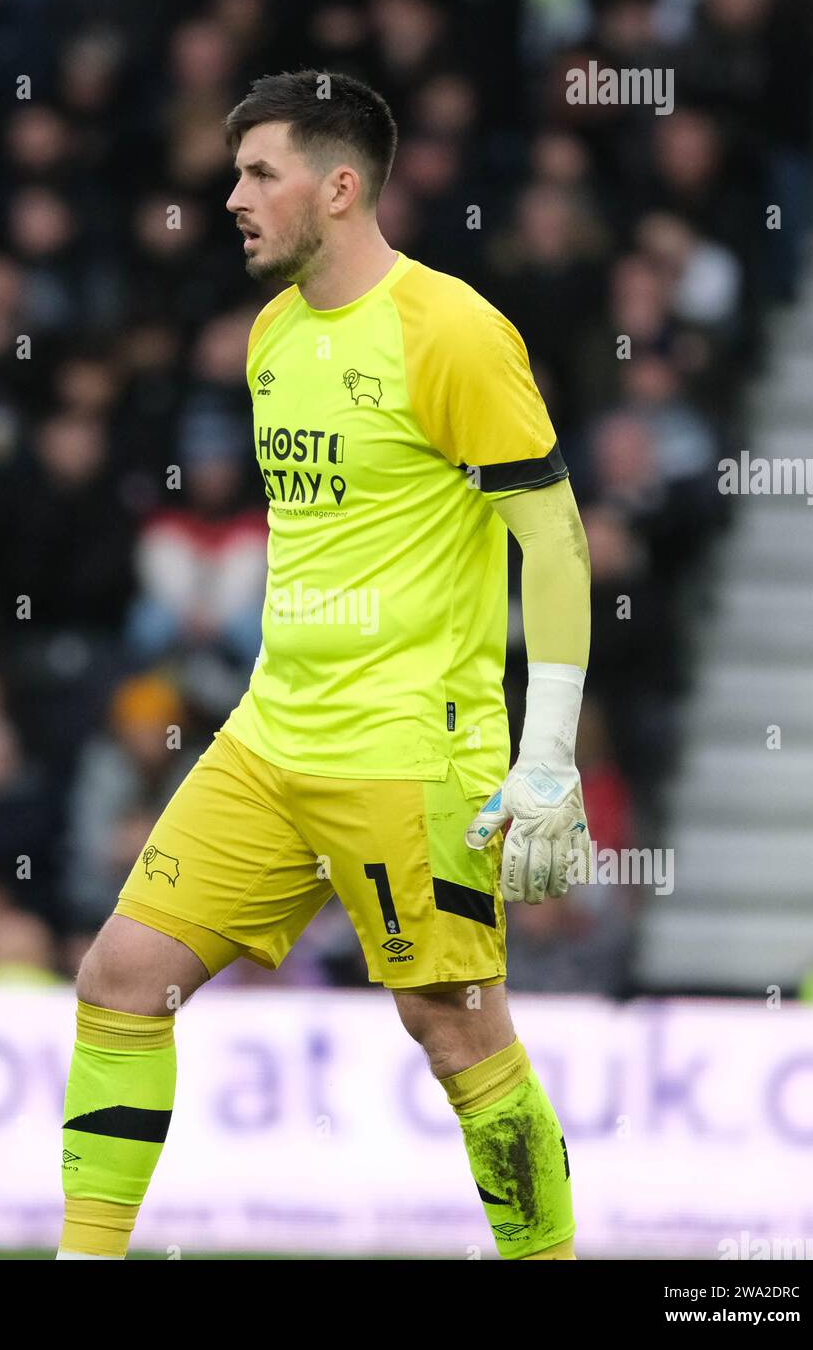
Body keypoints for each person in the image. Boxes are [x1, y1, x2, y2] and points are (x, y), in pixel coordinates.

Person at [57, 70, 592, 1261]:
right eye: (234, 171)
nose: (231, 195)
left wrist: (546, 750)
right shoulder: (271, 336)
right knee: (120, 979)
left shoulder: (449, 330)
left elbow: (551, 538)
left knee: (454, 1032)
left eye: (260, 173)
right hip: (268, 737)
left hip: (408, 750)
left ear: (339, 186)